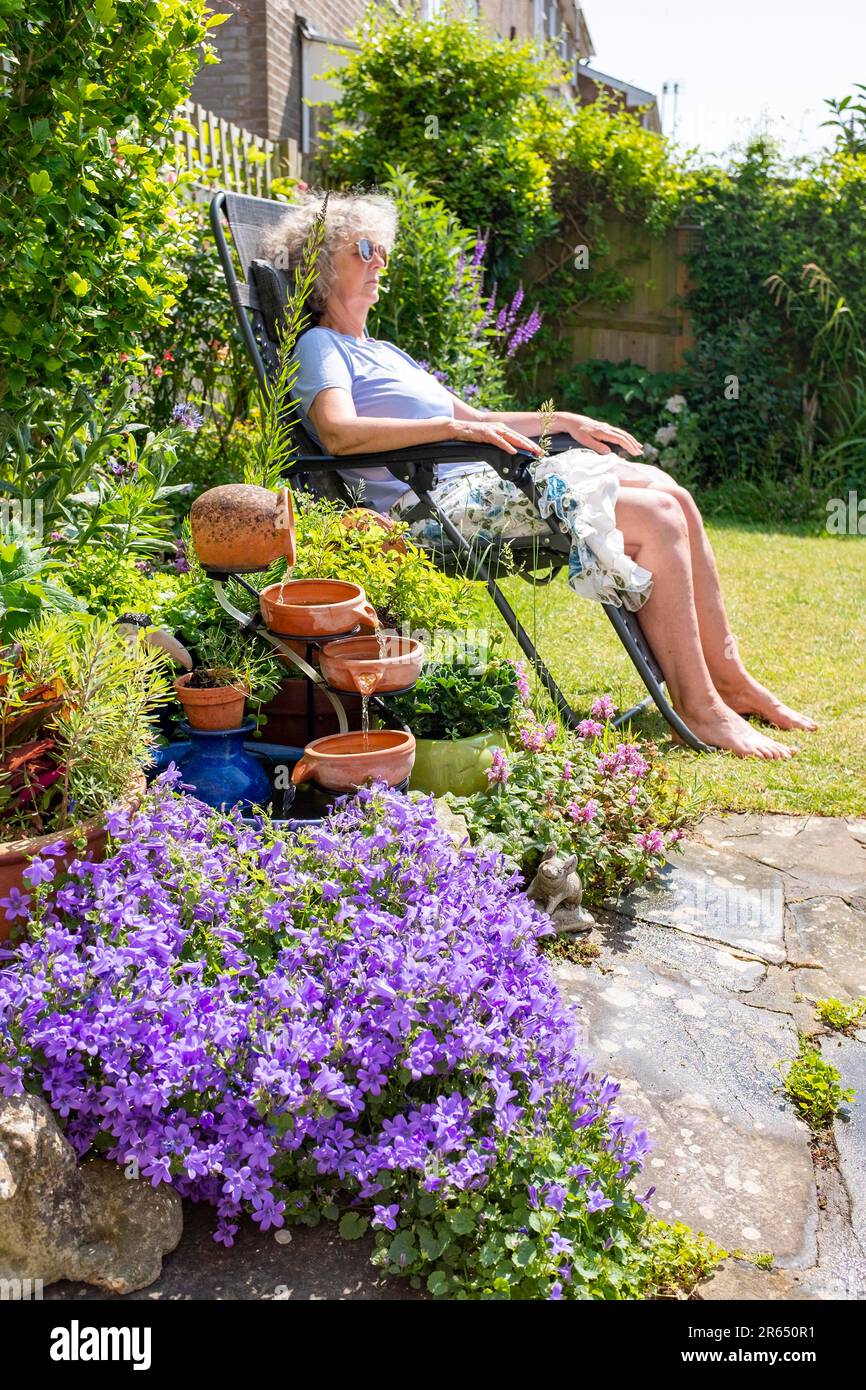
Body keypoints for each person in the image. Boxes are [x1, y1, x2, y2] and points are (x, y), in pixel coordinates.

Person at [261, 191, 818, 760]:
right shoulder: (320, 346)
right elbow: (338, 432)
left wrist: (565, 421)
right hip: (431, 507)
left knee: (673, 493)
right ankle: (699, 709)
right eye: (364, 249)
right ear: (321, 265)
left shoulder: (384, 351)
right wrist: (450, 430)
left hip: (479, 483)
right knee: (656, 516)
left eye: (383, 249)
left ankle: (729, 679)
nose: (381, 260)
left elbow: (478, 418)